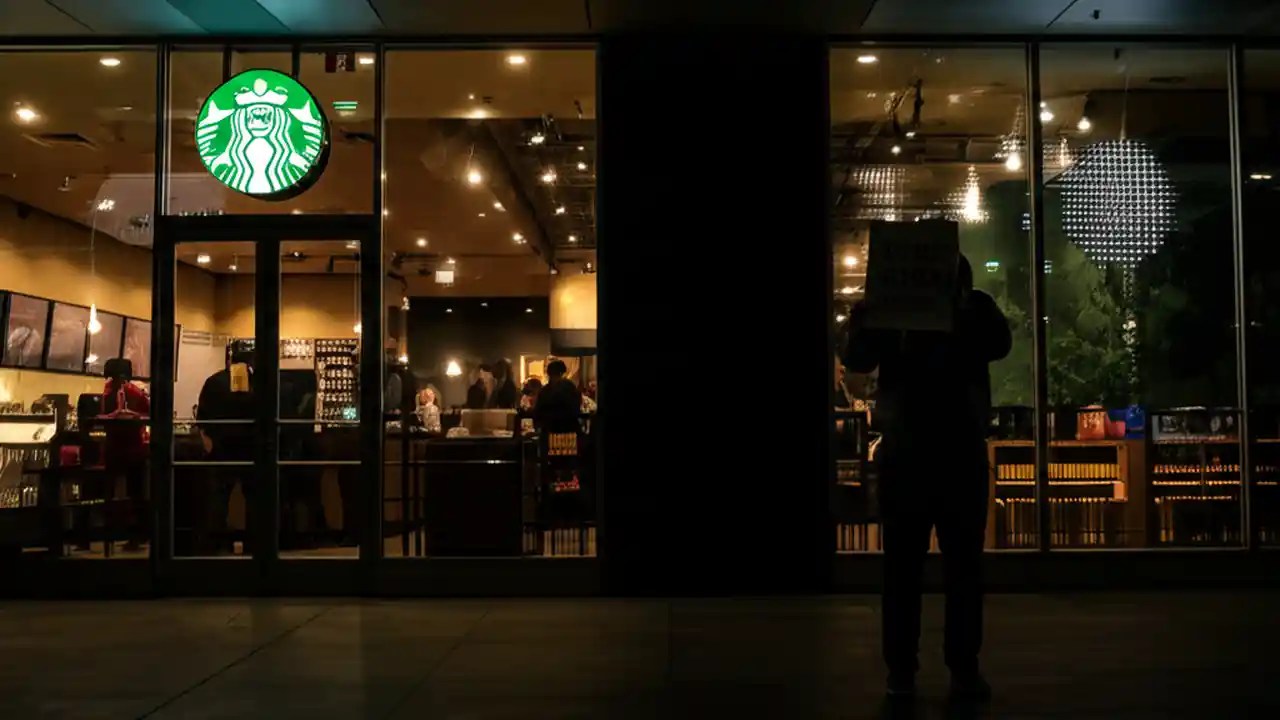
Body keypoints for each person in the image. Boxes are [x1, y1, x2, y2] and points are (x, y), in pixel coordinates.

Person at [842, 254, 1010, 701]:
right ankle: (959, 668)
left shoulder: (923, 313)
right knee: (960, 571)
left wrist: (869, 320)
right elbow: (999, 343)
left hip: (908, 453)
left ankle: (904, 672)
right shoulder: (972, 309)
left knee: (904, 571)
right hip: (956, 453)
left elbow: (857, 358)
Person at [196, 348, 257, 554]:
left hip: (220, 447)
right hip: (250, 447)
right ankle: (253, 544)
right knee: (253, 499)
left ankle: (213, 545)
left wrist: (208, 441)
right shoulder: (257, 383)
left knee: (218, 498)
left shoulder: (214, 381)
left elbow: (201, 416)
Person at [100, 358, 150, 551]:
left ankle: (113, 535)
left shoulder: (117, 390)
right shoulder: (133, 390)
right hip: (132, 448)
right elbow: (148, 412)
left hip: (118, 448)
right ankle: (135, 535)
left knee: (114, 492)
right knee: (135, 492)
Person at [533, 359, 581, 433]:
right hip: (569, 429)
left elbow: (538, 412)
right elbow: (576, 408)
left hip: (550, 430)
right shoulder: (570, 387)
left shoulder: (545, 391)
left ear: (548, 374)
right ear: (562, 373)